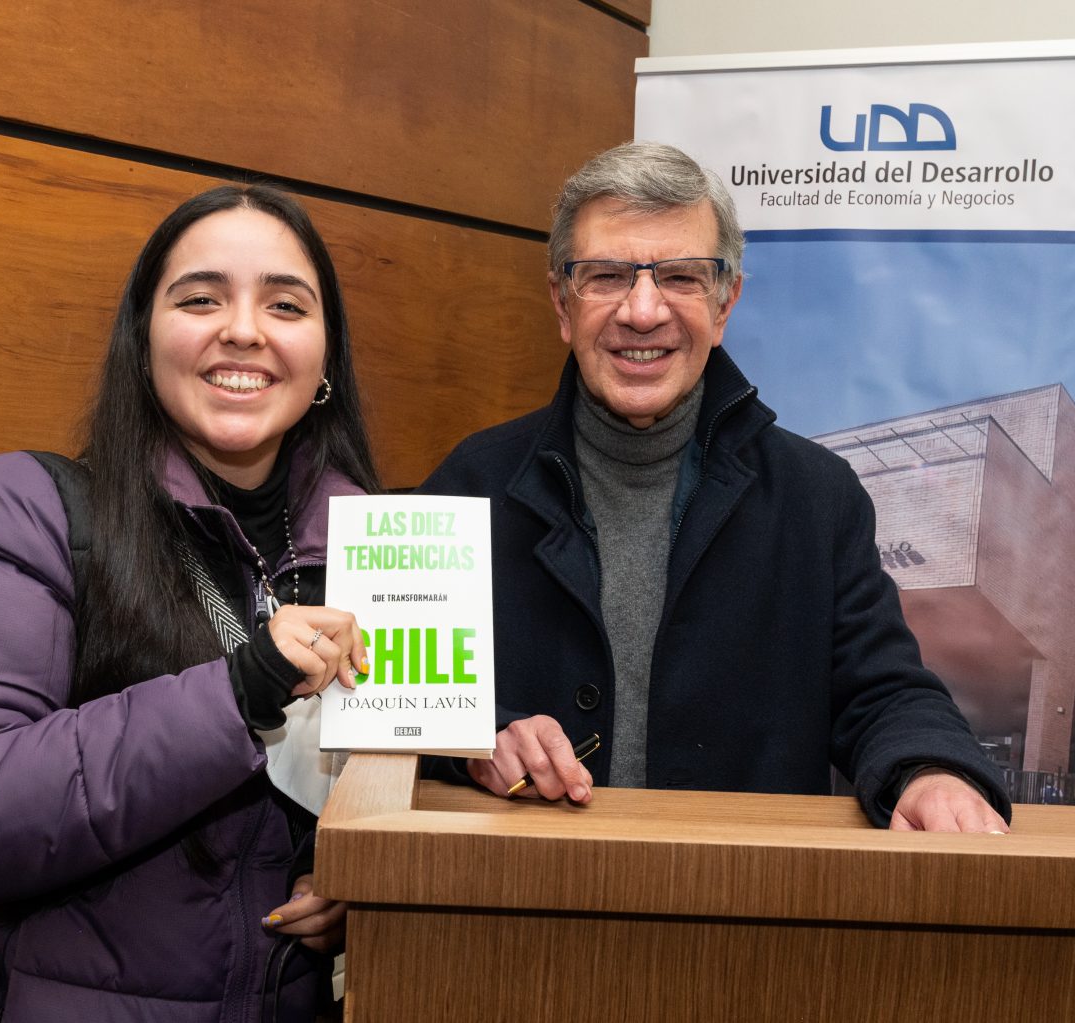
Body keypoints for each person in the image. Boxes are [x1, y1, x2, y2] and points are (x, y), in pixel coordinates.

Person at [0, 184, 379, 1021]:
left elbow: (352, 793)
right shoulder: (22, 514)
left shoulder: (369, 547)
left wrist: (354, 882)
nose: (243, 328)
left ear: (325, 360)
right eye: (201, 298)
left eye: (285, 304)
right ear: (142, 343)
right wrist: (235, 695)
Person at [421, 142, 1011, 833]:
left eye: (680, 276)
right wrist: (478, 738)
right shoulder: (471, 485)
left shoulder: (818, 500)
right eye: (607, 275)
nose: (643, 312)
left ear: (726, 300)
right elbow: (399, 695)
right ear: (562, 301)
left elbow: (881, 692)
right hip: (521, 918)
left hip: (742, 918)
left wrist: (930, 769)